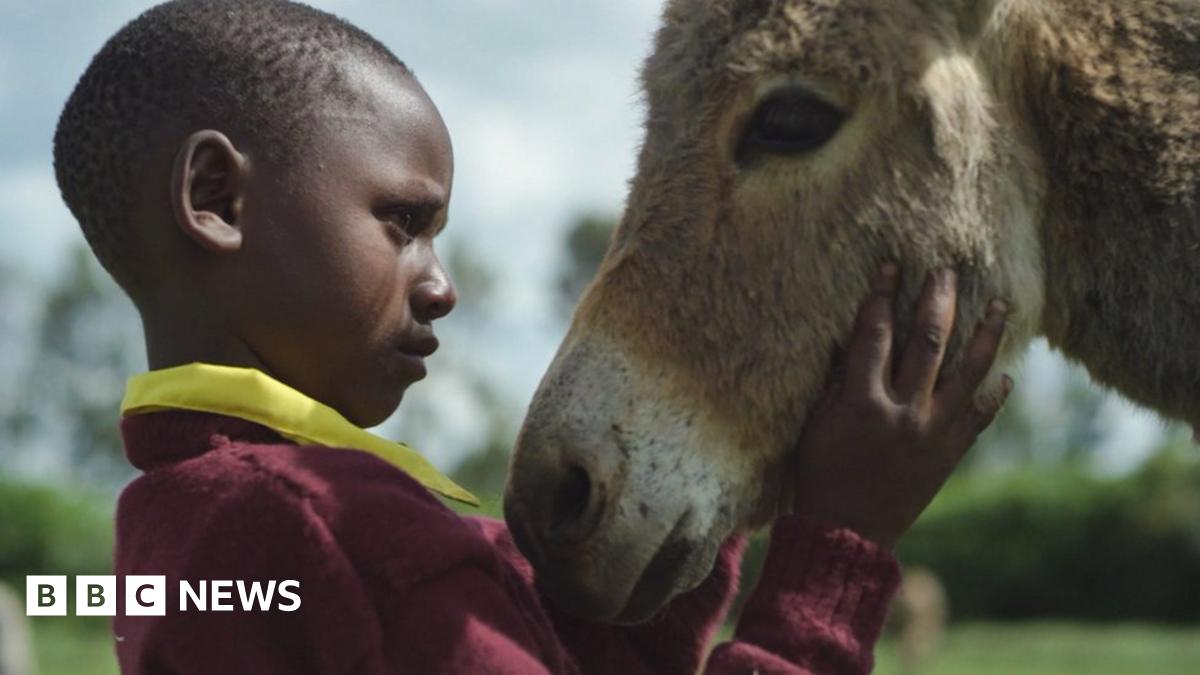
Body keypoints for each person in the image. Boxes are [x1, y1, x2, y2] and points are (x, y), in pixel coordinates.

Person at [52, 1, 1012, 672]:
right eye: (402, 223)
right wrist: (836, 551)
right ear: (216, 199)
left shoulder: (174, 531)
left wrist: (726, 450)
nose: (442, 285)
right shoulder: (341, 535)